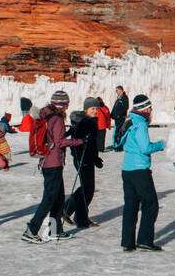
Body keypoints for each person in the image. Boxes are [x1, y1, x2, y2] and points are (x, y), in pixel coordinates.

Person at [23, 91, 82, 243]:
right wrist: (79, 141)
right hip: (53, 162)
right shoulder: (57, 118)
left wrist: (69, 132)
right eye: (66, 103)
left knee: (58, 197)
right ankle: (31, 229)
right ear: (61, 105)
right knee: (49, 198)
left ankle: (55, 230)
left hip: (46, 161)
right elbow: (60, 142)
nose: (68, 105)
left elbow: (53, 137)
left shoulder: (46, 115)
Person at [114, 94, 166, 252]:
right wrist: (161, 144)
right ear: (144, 109)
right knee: (151, 204)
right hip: (140, 171)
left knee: (130, 206)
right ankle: (144, 240)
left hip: (127, 169)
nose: (151, 110)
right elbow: (145, 148)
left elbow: (122, 143)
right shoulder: (141, 124)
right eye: (150, 108)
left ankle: (127, 242)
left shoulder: (129, 122)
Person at [63, 99, 103, 228]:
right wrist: (82, 155)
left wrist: (95, 158)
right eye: (92, 109)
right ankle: (75, 214)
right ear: (86, 109)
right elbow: (76, 141)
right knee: (87, 190)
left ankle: (74, 214)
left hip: (88, 158)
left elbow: (92, 144)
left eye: (96, 109)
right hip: (83, 159)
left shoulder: (89, 121)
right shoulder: (84, 122)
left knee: (86, 189)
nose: (95, 111)